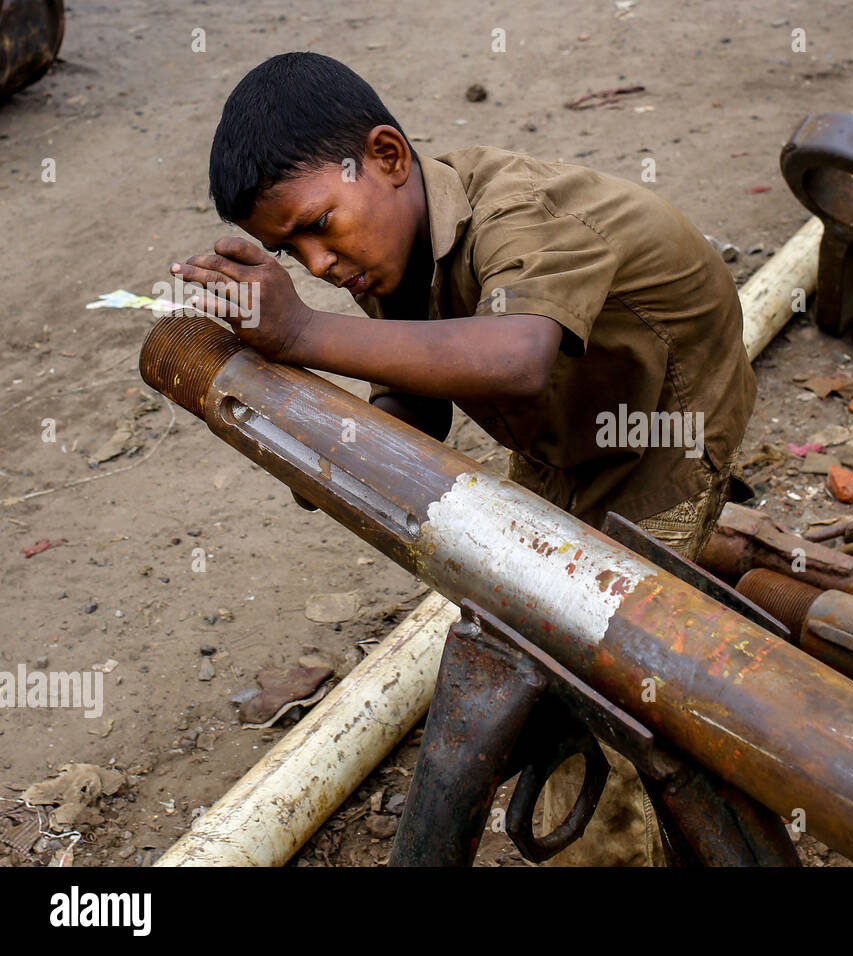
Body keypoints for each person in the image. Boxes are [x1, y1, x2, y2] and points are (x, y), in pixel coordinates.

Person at [173, 51, 755, 866]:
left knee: (602, 674)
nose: (317, 266)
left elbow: (514, 356)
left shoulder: (520, 214)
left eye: (316, 225)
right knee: (525, 624)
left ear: (386, 157)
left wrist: (302, 334)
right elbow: (417, 389)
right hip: (561, 435)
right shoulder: (389, 243)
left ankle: (630, 834)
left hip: (666, 428)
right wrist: (327, 450)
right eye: (289, 250)